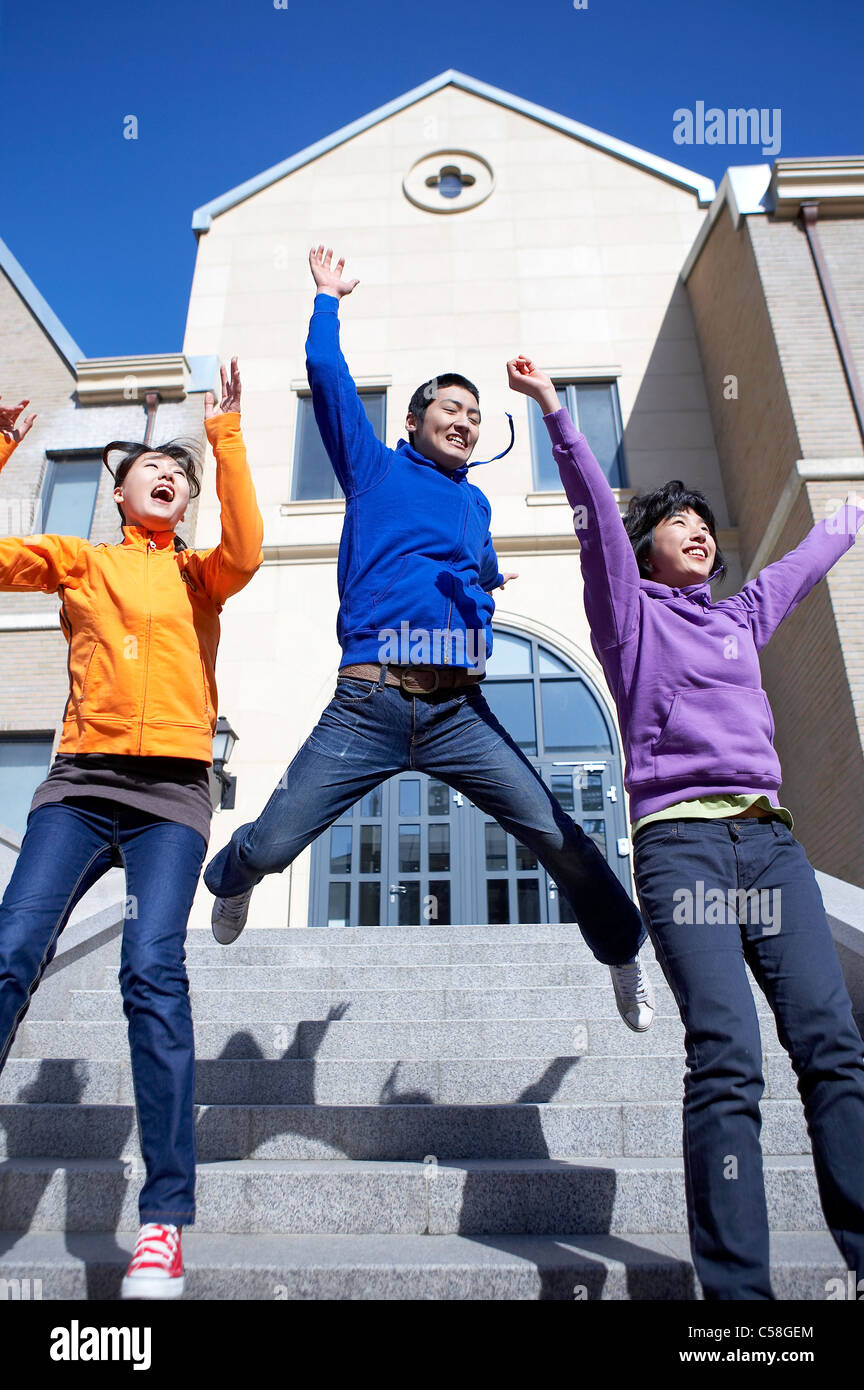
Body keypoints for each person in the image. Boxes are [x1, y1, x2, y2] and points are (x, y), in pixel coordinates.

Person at [203, 247, 654, 1032]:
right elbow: (327, 373)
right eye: (451, 408)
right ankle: (231, 874)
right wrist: (326, 299)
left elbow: (474, 573)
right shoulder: (373, 468)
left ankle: (621, 952)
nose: (466, 421)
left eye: (476, 415)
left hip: (458, 713)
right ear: (414, 421)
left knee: (560, 834)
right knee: (272, 844)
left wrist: (486, 590)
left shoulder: (476, 507)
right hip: (368, 703)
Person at [506, 352, 864, 1299]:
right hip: (685, 847)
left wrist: (853, 508)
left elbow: (804, 560)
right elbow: (593, 526)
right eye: (678, 524)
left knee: (831, 1043)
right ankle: (739, 1300)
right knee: (728, 1054)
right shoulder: (628, 619)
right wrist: (556, 415)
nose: (698, 533)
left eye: (705, 525)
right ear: (648, 545)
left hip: (772, 844)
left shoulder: (741, 617)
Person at [0, 364, 263, 1299]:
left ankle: (163, 1223)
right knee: (13, 947)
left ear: (187, 502)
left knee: (151, 968)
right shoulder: (81, 561)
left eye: (178, 475)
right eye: (150, 469)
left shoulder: (202, 575)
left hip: (173, 796)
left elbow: (252, 548)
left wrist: (223, 435)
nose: (166, 477)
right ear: (119, 492)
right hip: (79, 785)